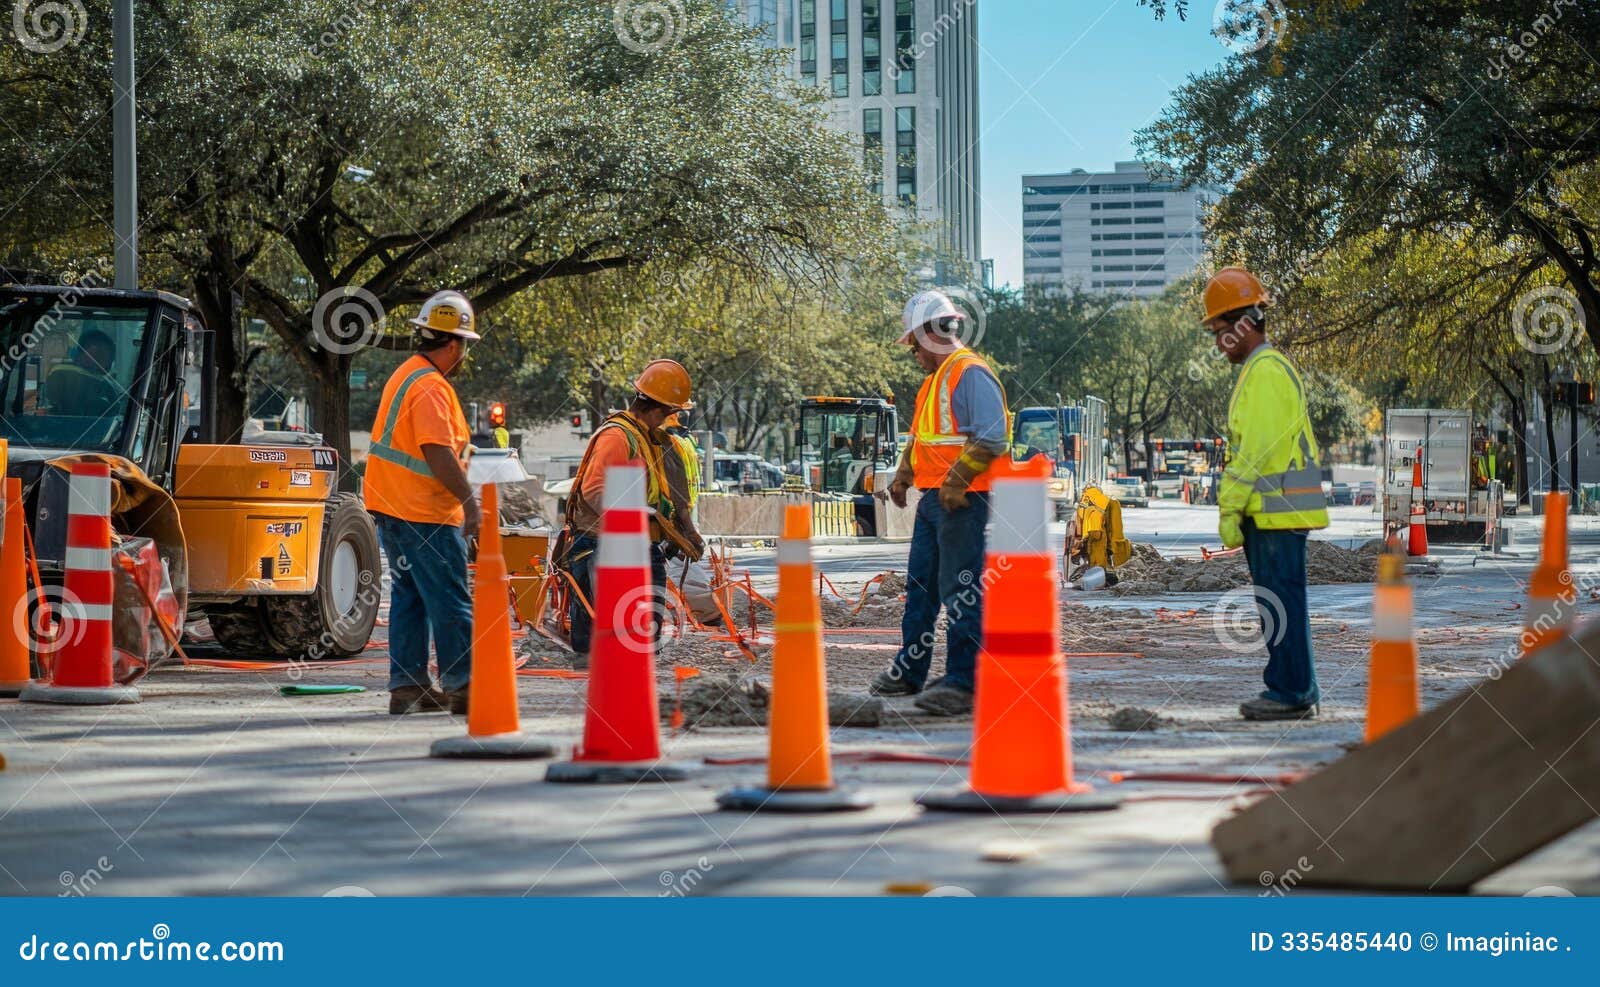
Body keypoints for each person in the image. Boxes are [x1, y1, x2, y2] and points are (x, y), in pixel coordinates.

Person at [869, 290, 1010, 716]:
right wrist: (904, 473)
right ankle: (911, 670)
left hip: (964, 501)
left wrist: (958, 481)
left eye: (914, 344)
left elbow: (992, 437)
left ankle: (965, 683)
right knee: (921, 589)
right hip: (935, 500)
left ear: (933, 334)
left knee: (961, 589)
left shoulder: (969, 372)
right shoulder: (934, 381)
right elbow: (921, 438)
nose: (913, 353)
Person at [1202, 267, 1329, 721]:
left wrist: (1229, 509)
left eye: (1219, 331)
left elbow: (1253, 453)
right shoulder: (1263, 369)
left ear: (1242, 324)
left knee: (1282, 605)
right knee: (1281, 605)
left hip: (1275, 512)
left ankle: (1291, 692)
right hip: (1276, 511)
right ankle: (1294, 688)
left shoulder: (1266, 372)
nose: (1219, 344)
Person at [363, 290, 481, 716]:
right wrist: (470, 503)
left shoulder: (406, 374)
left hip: (393, 508)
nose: (464, 354)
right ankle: (464, 685)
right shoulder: (431, 386)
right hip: (424, 513)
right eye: (464, 345)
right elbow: (437, 450)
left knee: (411, 597)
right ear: (453, 343)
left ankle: (408, 687)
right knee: (449, 599)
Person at [555, 359, 703, 667]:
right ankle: (599, 680)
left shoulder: (649, 438)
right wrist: (628, 528)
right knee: (597, 641)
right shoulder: (618, 437)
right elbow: (594, 490)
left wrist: (685, 529)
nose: (672, 417)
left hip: (634, 544)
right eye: (672, 411)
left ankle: (631, 673)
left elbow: (670, 494)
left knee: (642, 633)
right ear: (662, 409)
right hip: (600, 544)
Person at [44, 328, 120, 418]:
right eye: (105, 356)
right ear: (92, 351)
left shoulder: (56, 372)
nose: (108, 362)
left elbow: (49, 408)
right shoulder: (105, 386)